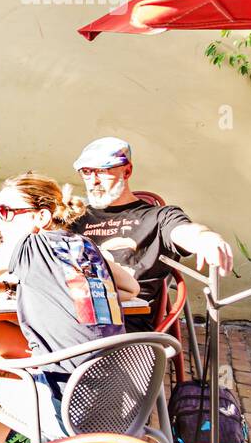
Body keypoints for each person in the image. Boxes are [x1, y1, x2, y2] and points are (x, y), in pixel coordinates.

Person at [0, 172, 138, 443]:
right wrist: (65, 287)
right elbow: (130, 287)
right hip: (121, 406)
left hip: (68, 410)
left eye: (6, 212)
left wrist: (13, 275)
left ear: (41, 217)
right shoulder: (83, 245)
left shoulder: (27, 245)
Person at [69, 136, 234, 324]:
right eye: (86, 172)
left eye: (103, 171)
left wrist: (206, 239)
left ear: (127, 171)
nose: (93, 180)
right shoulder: (75, 218)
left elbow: (185, 231)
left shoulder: (157, 217)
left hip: (124, 322)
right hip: (74, 312)